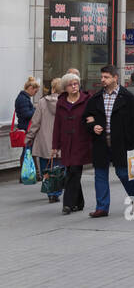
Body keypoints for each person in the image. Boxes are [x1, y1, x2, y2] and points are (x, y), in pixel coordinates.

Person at [85, 66, 134, 218]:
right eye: (102, 77)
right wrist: (93, 126)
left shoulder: (128, 98)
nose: (102, 80)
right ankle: (102, 207)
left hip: (122, 142)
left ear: (115, 78)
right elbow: (87, 116)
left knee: (123, 173)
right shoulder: (96, 97)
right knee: (100, 174)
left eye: (106, 77)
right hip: (101, 142)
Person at [52, 72, 91, 214]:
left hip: (81, 142)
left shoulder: (87, 99)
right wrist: (54, 146)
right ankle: (79, 203)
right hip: (66, 143)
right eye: (71, 84)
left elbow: (93, 116)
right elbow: (57, 125)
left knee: (74, 171)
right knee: (71, 171)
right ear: (65, 87)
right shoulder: (61, 102)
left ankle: (67, 204)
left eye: (76, 84)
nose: (74, 86)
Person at [26, 79, 63, 199]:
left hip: (43, 142)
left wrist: (29, 137)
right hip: (60, 141)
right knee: (59, 167)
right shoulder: (66, 103)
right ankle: (57, 192)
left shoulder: (42, 102)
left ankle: (50, 192)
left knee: (46, 168)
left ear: (52, 89)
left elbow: (35, 122)